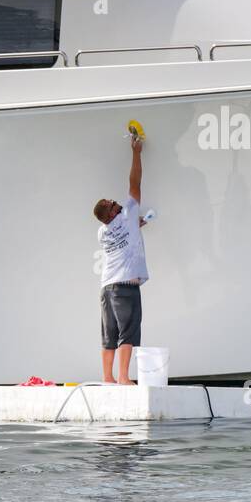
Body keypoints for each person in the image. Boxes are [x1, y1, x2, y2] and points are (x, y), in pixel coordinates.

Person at [92, 135, 148, 384]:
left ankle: (108, 377)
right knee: (128, 331)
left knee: (109, 333)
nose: (117, 202)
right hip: (125, 287)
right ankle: (124, 378)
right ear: (113, 212)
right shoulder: (127, 218)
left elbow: (122, 238)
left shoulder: (103, 231)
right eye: (114, 204)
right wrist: (136, 153)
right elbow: (135, 183)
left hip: (106, 287)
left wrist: (135, 228)